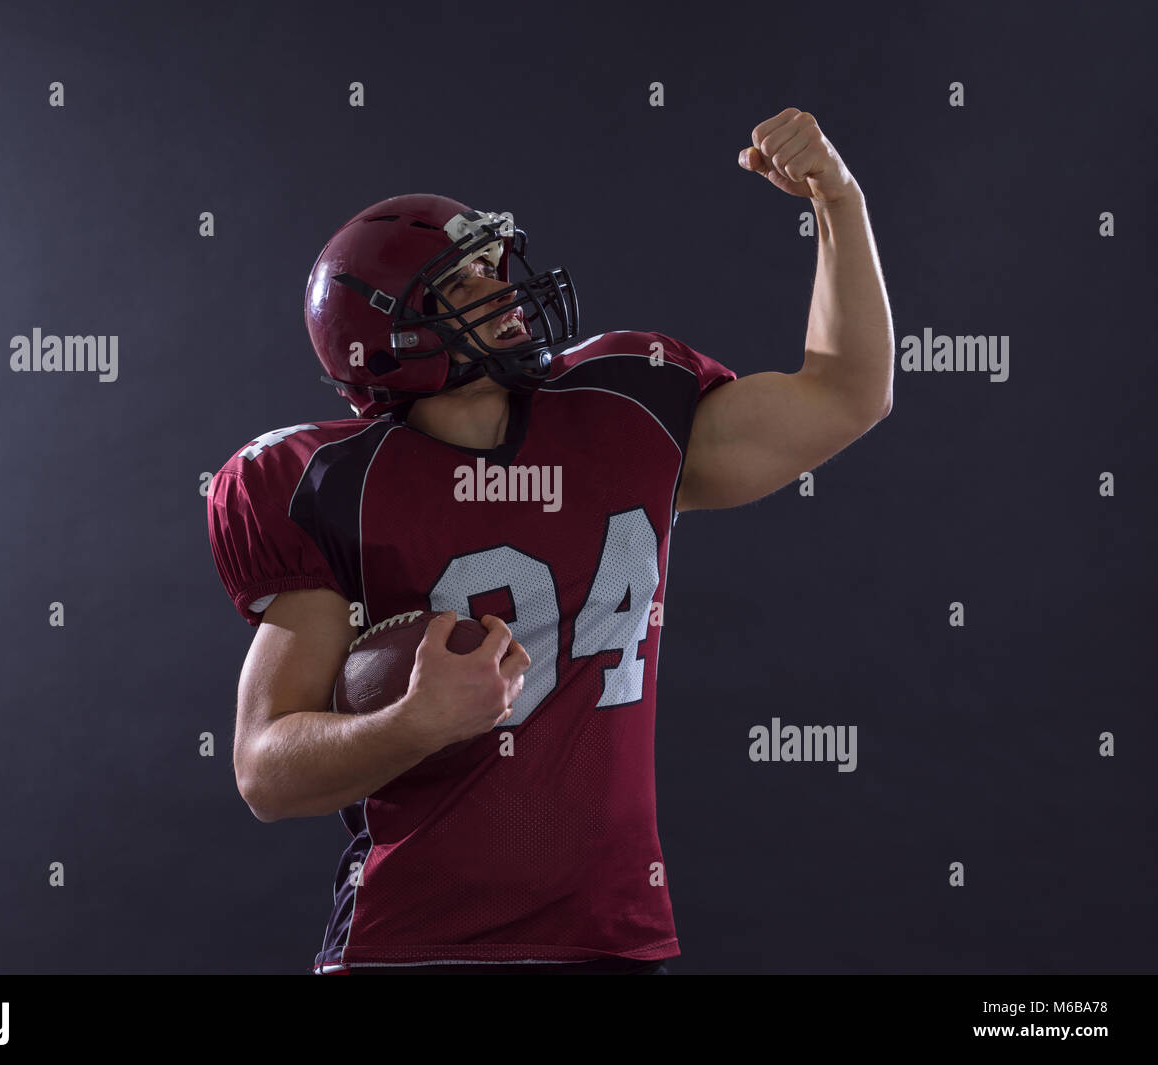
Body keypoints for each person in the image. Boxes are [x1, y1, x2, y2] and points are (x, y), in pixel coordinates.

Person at [207, 108, 894, 974]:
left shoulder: (626, 412)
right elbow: (265, 769)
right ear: (388, 336)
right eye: (463, 285)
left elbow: (847, 392)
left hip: (609, 936)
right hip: (411, 945)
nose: (503, 292)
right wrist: (412, 722)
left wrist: (838, 199)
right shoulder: (326, 483)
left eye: (497, 267)